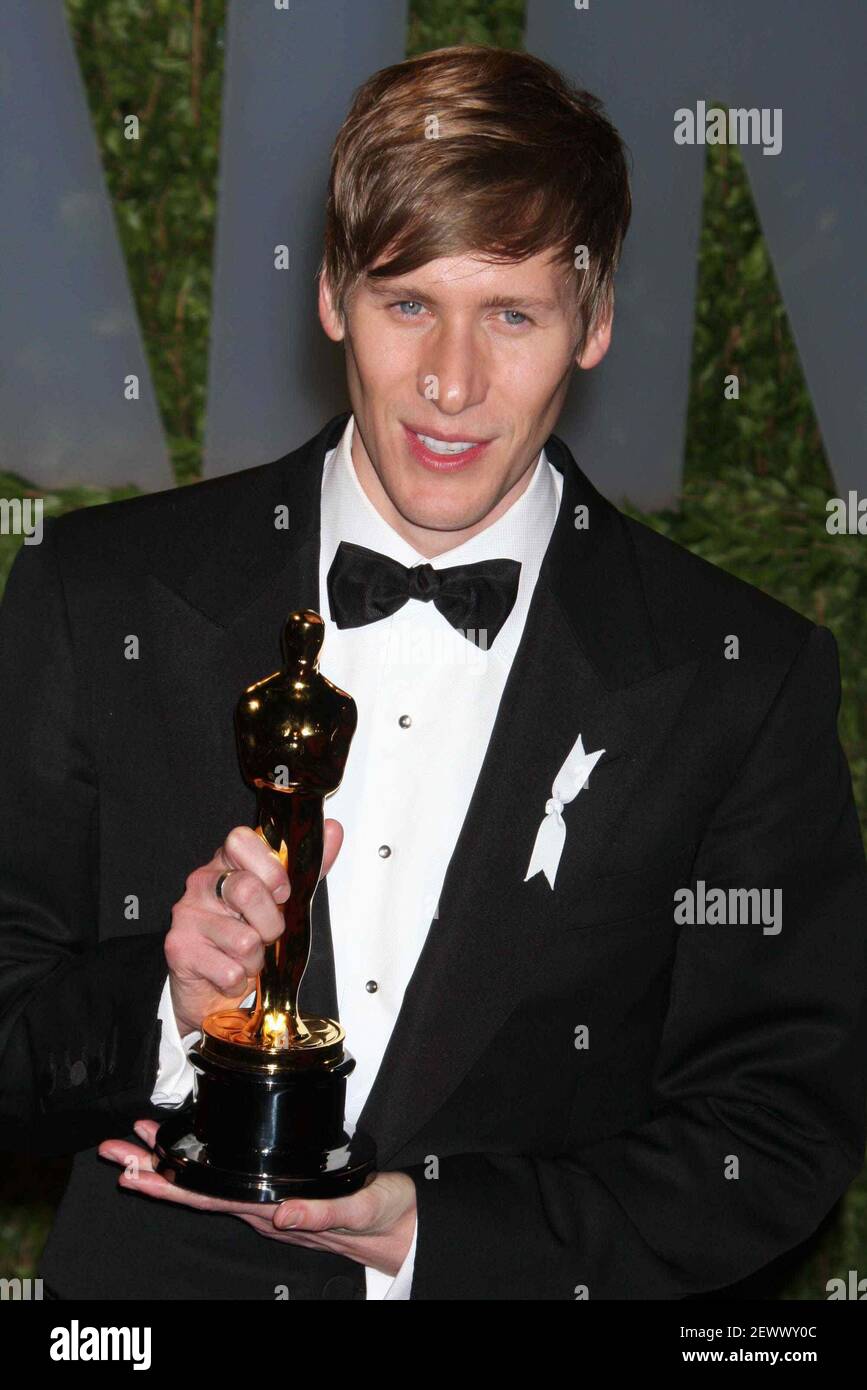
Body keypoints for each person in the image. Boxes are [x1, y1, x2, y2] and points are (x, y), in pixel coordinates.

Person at [1, 45, 865, 1301]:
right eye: (411, 303)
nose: (452, 384)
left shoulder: (739, 678)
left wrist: (434, 1239)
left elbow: (776, 1137)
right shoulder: (99, 596)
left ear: (597, 320)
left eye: (512, 313)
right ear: (335, 296)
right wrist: (168, 1009)